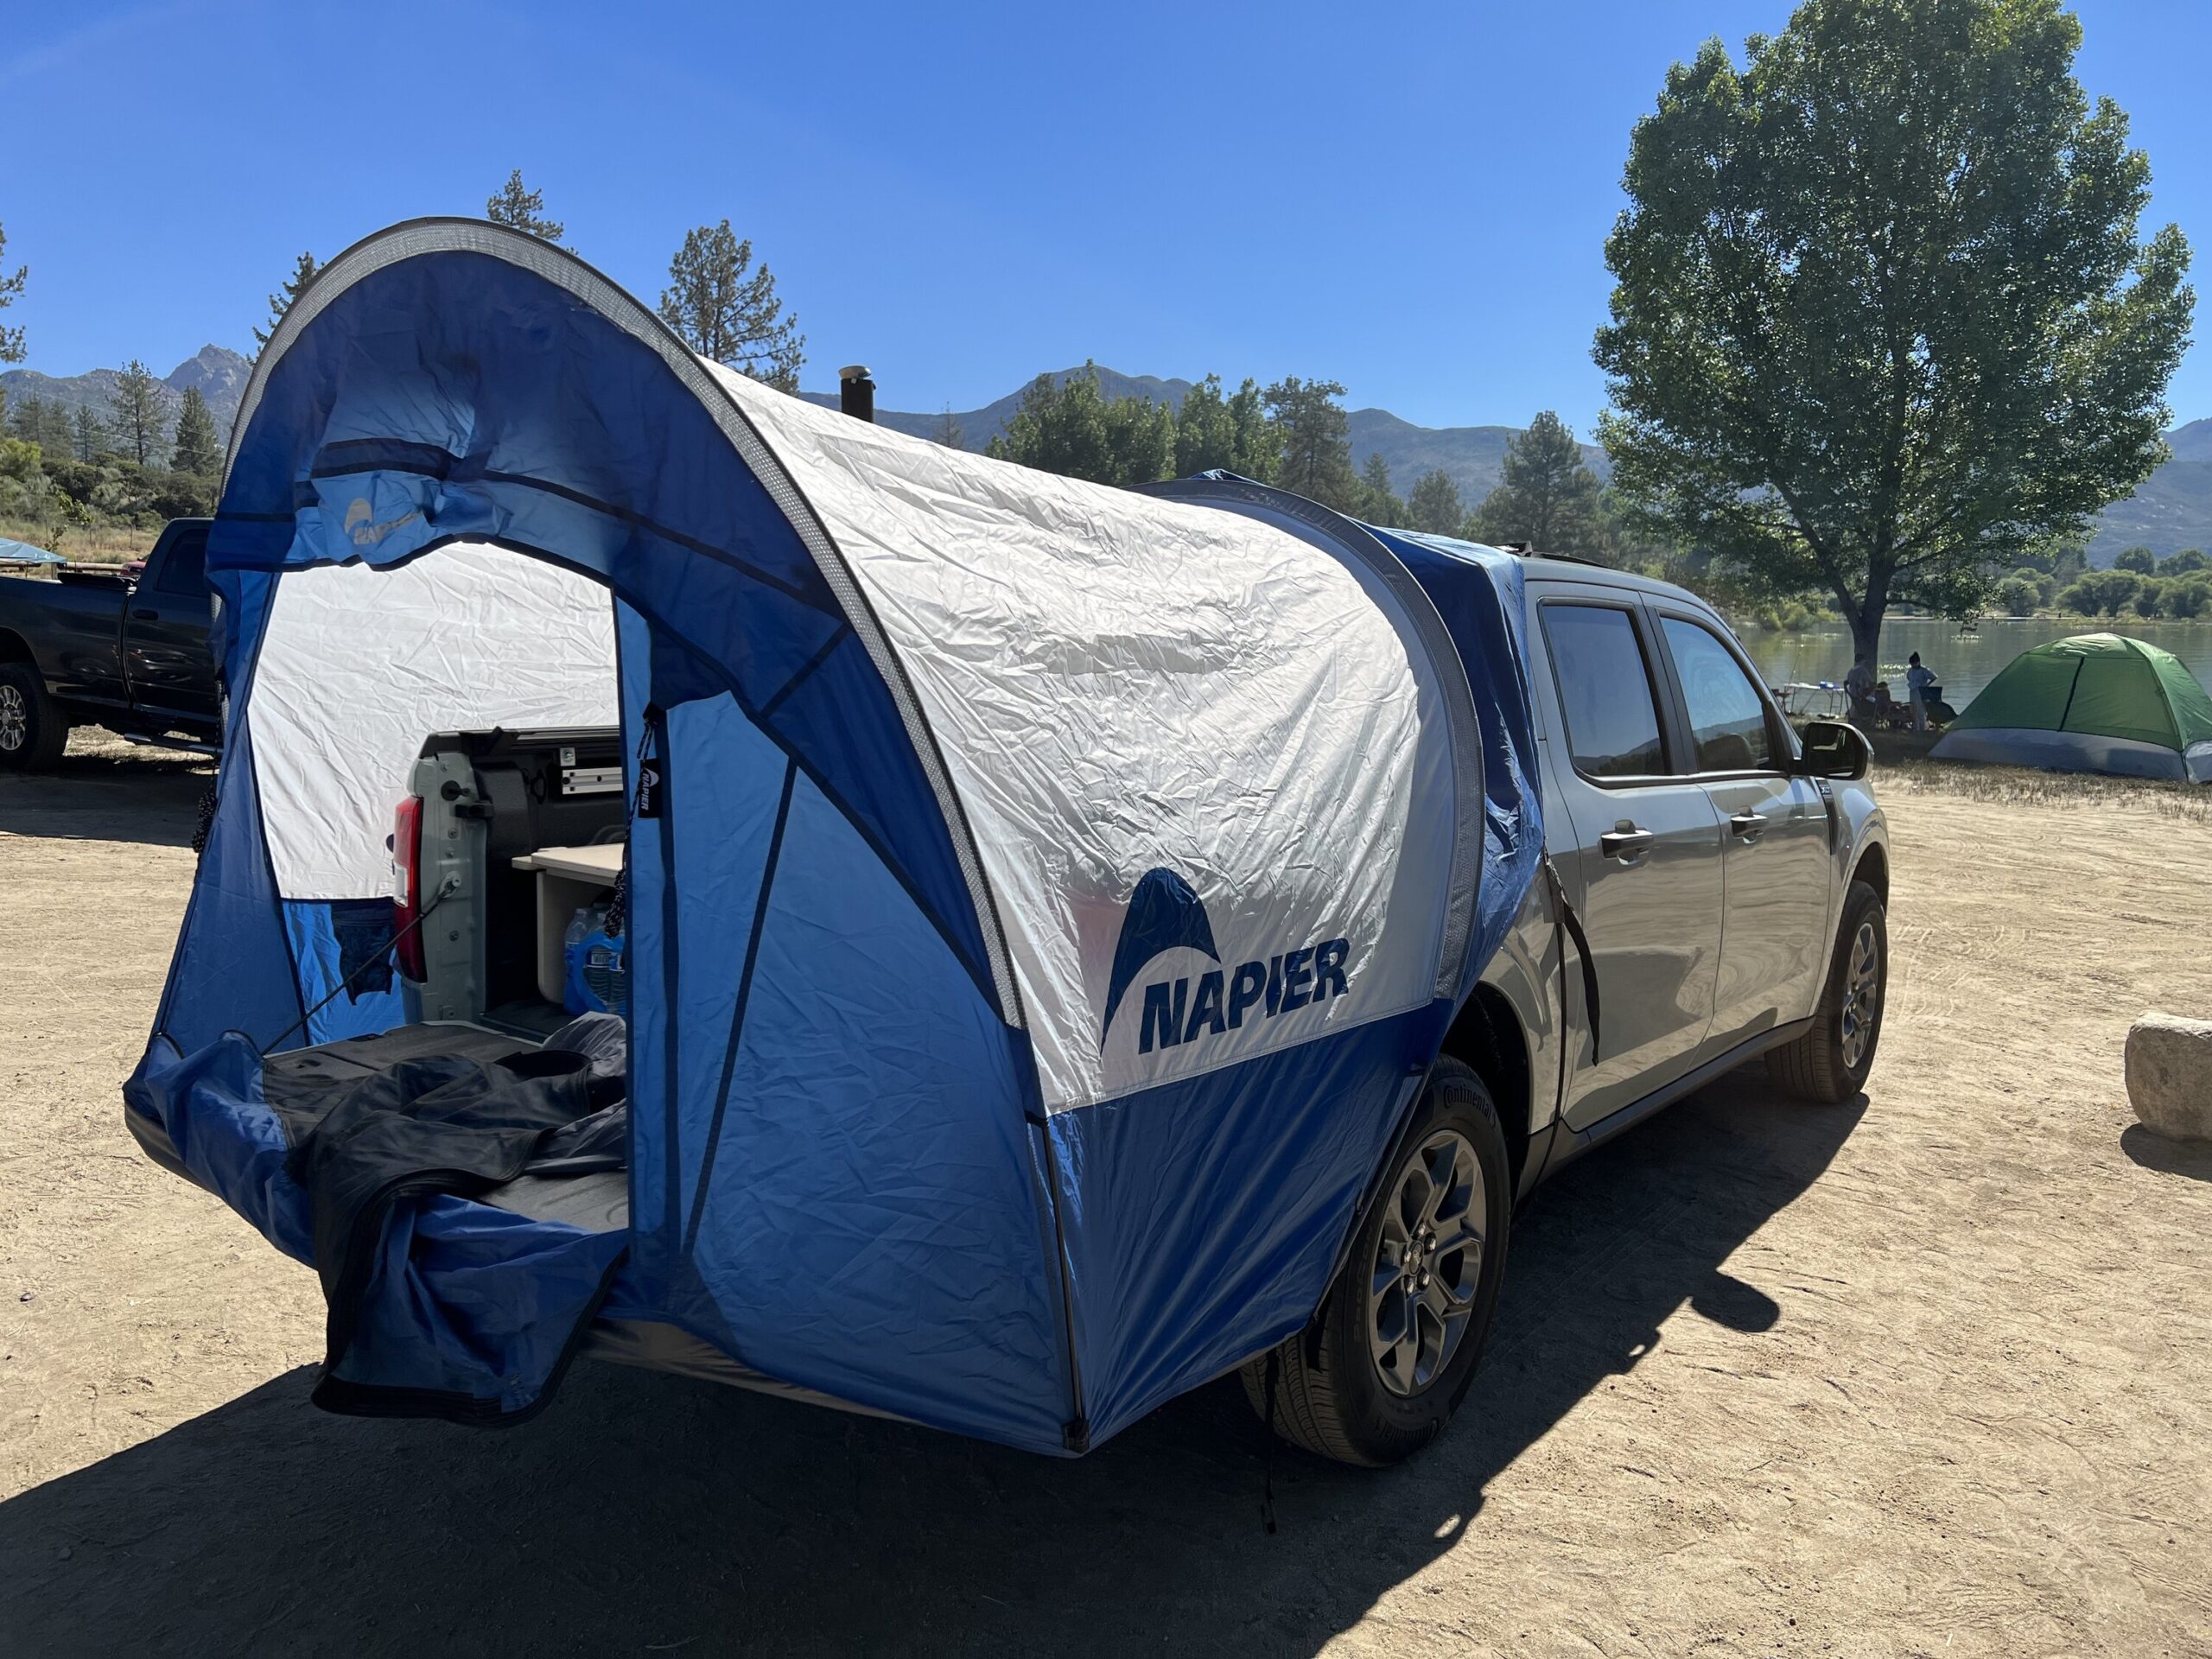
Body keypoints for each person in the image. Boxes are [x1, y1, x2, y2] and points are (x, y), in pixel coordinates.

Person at [1905, 652, 1937, 731]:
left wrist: (1927, 685)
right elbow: (1908, 678)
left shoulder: (1924, 670)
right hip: (1912, 691)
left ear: (1918, 662)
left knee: (1920, 711)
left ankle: (1922, 729)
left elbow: (1934, 677)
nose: (1912, 666)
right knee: (1913, 710)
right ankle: (1915, 729)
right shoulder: (1911, 670)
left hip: (1920, 691)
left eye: (1913, 664)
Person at [1844, 655, 1876, 730]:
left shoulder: (1851, 671)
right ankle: (1869, 719)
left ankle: (1857, 719)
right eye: (1864, 661)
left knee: (1858, 705)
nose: (1864, 662)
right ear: (1861, 661)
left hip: (1853, 694)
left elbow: (1847, 682)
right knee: (1874, 700)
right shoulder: (1862, 670)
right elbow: (1870, 681)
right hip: (1860, 695)